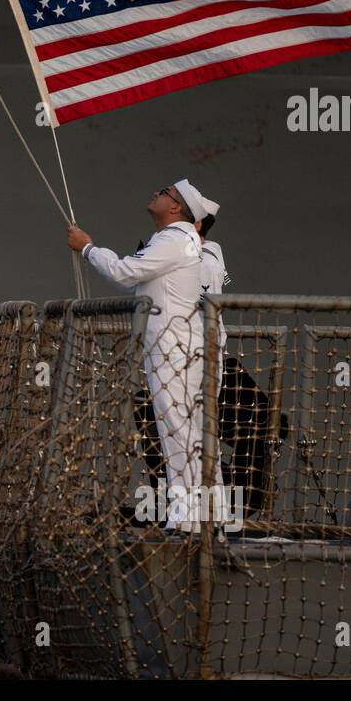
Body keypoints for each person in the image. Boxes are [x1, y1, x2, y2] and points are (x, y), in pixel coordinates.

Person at [66, 179, 226, 531]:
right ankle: (200, 516)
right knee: (186, 431)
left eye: (166, 192)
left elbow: (127, 272)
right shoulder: (178, 240)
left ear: (176, 208)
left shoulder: (174, 239)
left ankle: (190, 520)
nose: (157, 192)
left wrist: (89, 248)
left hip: (174, 350)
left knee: (177, 429)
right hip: (180, 348)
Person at [194, 210, 286, 517]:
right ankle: (215, 499)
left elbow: (207, 285)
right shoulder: (210, 254)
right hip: (202, 358)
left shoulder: (205, 257)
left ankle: (227, 501)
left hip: (202, 360)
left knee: (199, 432)